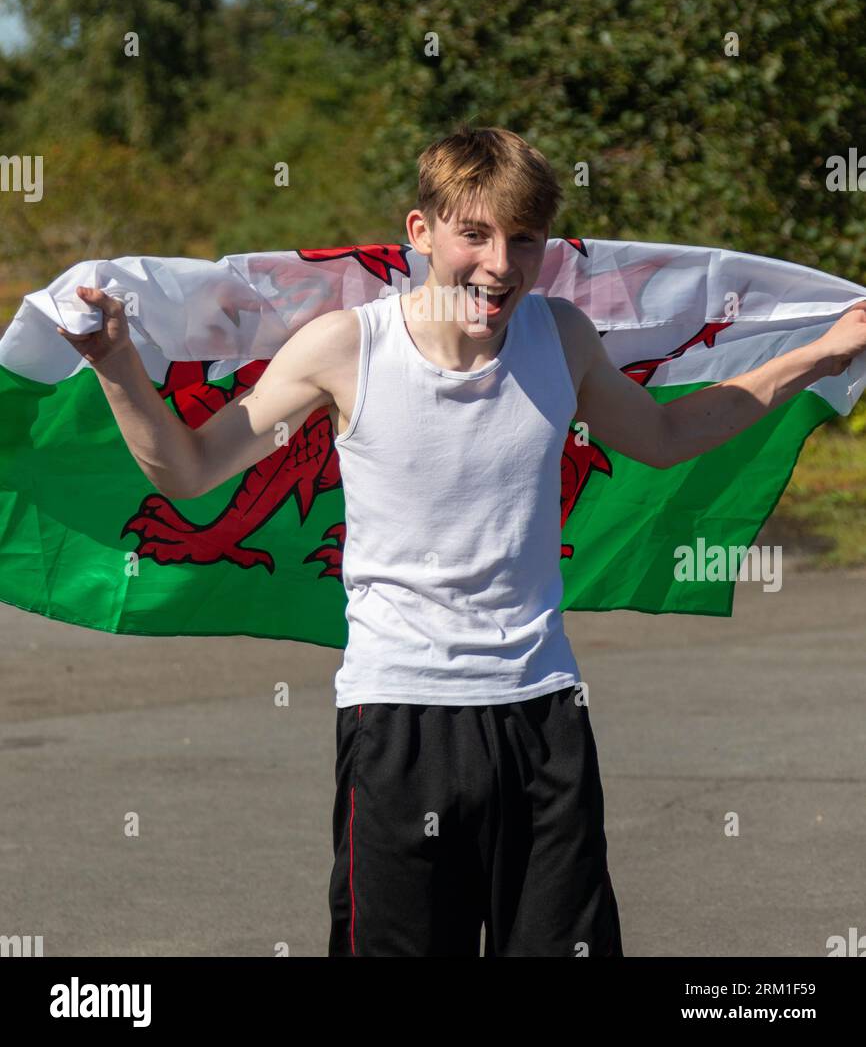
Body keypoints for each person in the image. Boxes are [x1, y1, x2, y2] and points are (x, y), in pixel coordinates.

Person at [57, 125, 866, 957]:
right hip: (401, 721)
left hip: (545, 713)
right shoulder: (347, 349)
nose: (500, 264)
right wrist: (116, 362)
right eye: (474, 234)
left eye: (523, 239)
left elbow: (665, 434)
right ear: (422, 232)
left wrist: (827, 350)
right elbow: (188, 471)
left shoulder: (562, 337)